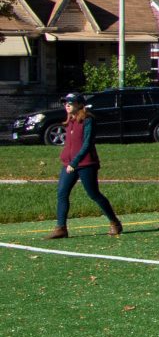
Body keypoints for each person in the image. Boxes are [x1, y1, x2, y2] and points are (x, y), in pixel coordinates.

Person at [51, 92, 121, 239]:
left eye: (71, 102)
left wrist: (75, 162)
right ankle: (61, 228)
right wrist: (66, 158)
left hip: (86, 164)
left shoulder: (88, 120)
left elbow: (87, 144)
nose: (67, 105)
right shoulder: (70, 121)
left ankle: (114, 222)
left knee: (93, 194)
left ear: (80, 105)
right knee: (62, 193)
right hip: (69, 164)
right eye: (65, 103)